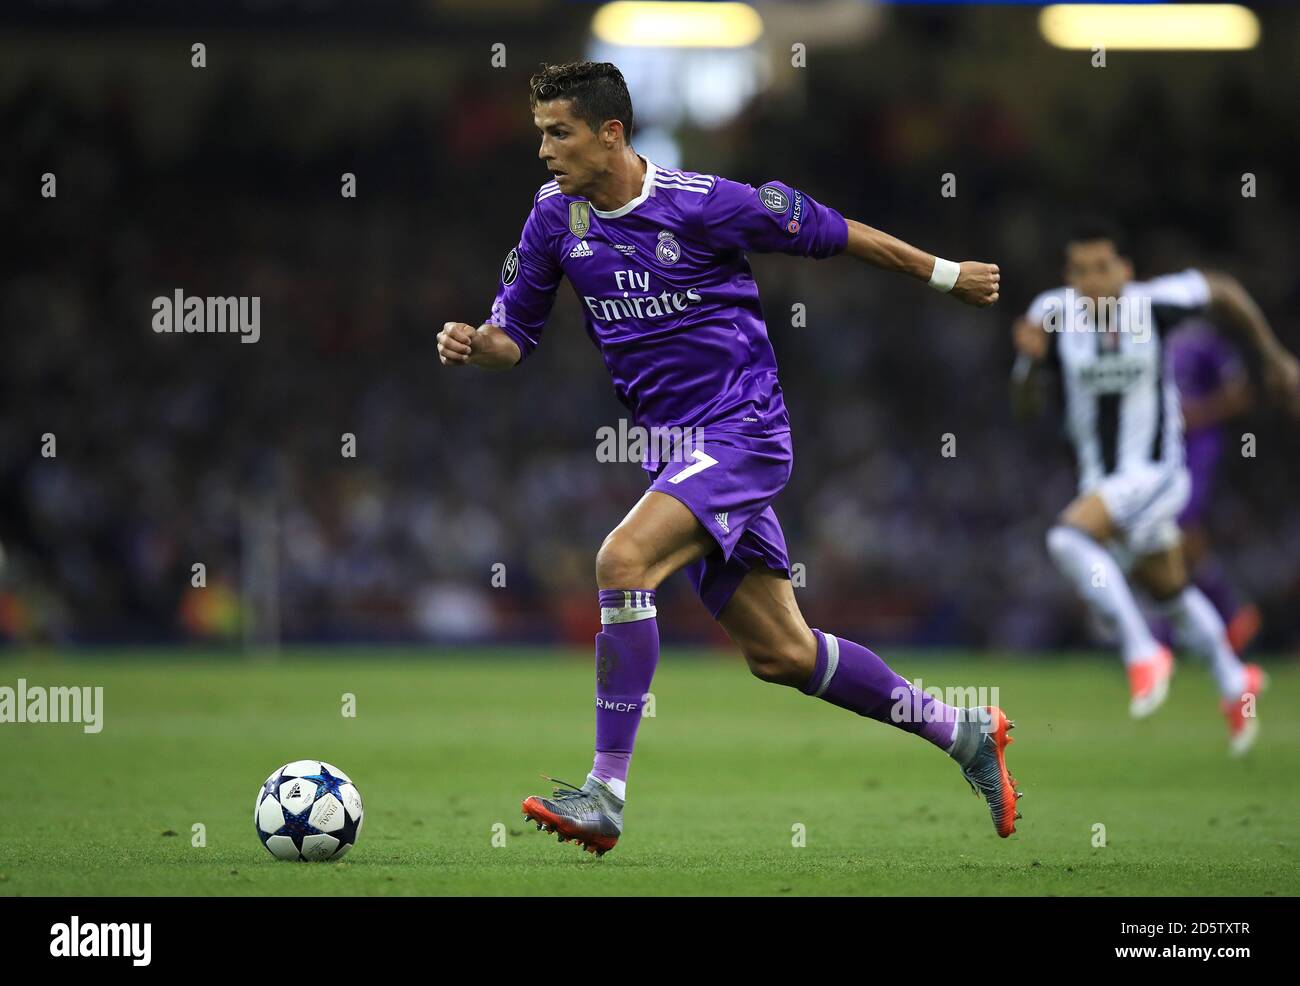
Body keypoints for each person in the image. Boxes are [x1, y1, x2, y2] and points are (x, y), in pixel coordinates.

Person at [439, 61, 1012, 855]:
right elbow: (514, 339)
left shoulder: (705, 205)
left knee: (621, 561)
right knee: (783, 654)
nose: (544, 150)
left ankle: (605, 791)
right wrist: (476, 346)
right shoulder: (552, 219)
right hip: (672, 454)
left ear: (610, 134)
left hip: (742, 433)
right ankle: (965, 733)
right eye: (541, 133)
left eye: (558, 132)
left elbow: (831, 231)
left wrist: (944, 274)